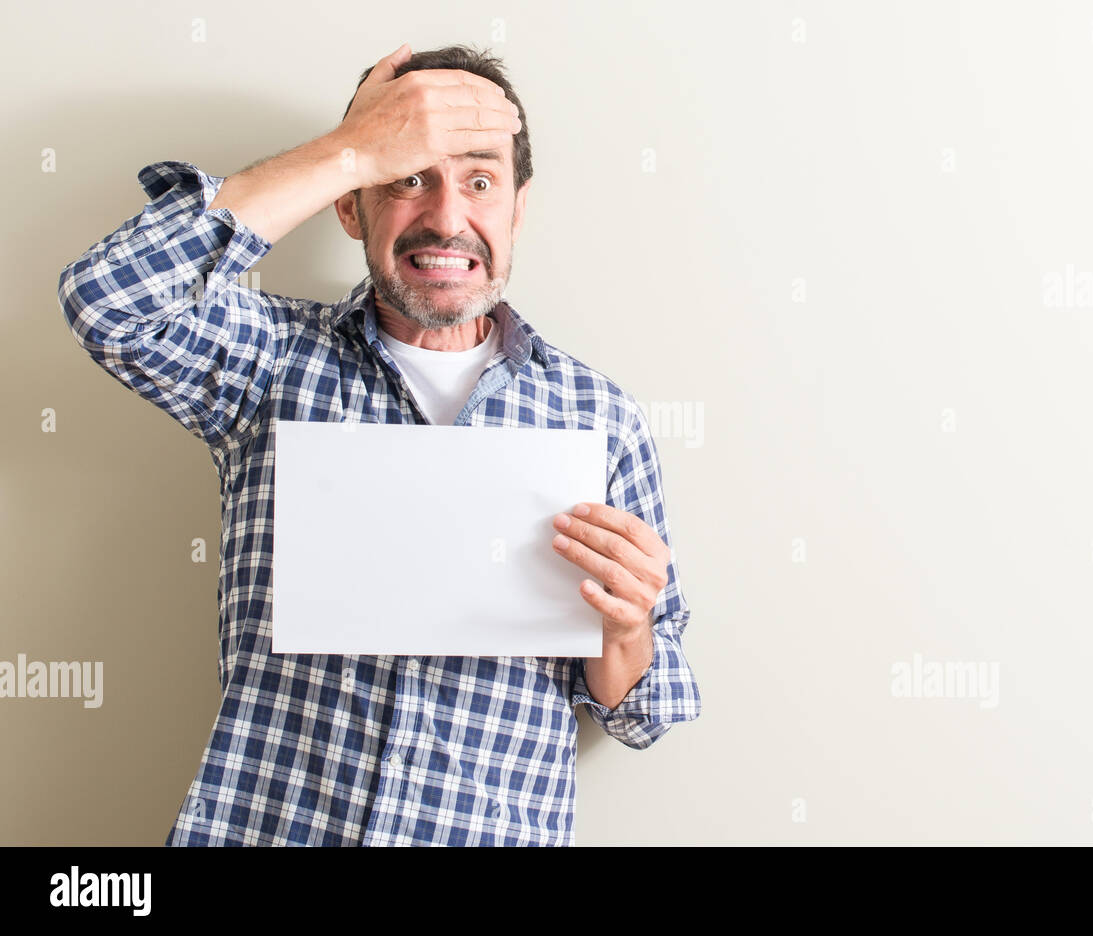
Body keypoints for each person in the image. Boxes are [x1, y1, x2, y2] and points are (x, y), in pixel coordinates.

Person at [56, 43, 701, 846]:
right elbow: (108, 301)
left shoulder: (599, 418)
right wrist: (350, 148)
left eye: (478, 180)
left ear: (517, 208)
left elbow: (648, 714)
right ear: (349, 206)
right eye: (407, 177)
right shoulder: (268, 360)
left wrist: (626, 628)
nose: (446, 218)